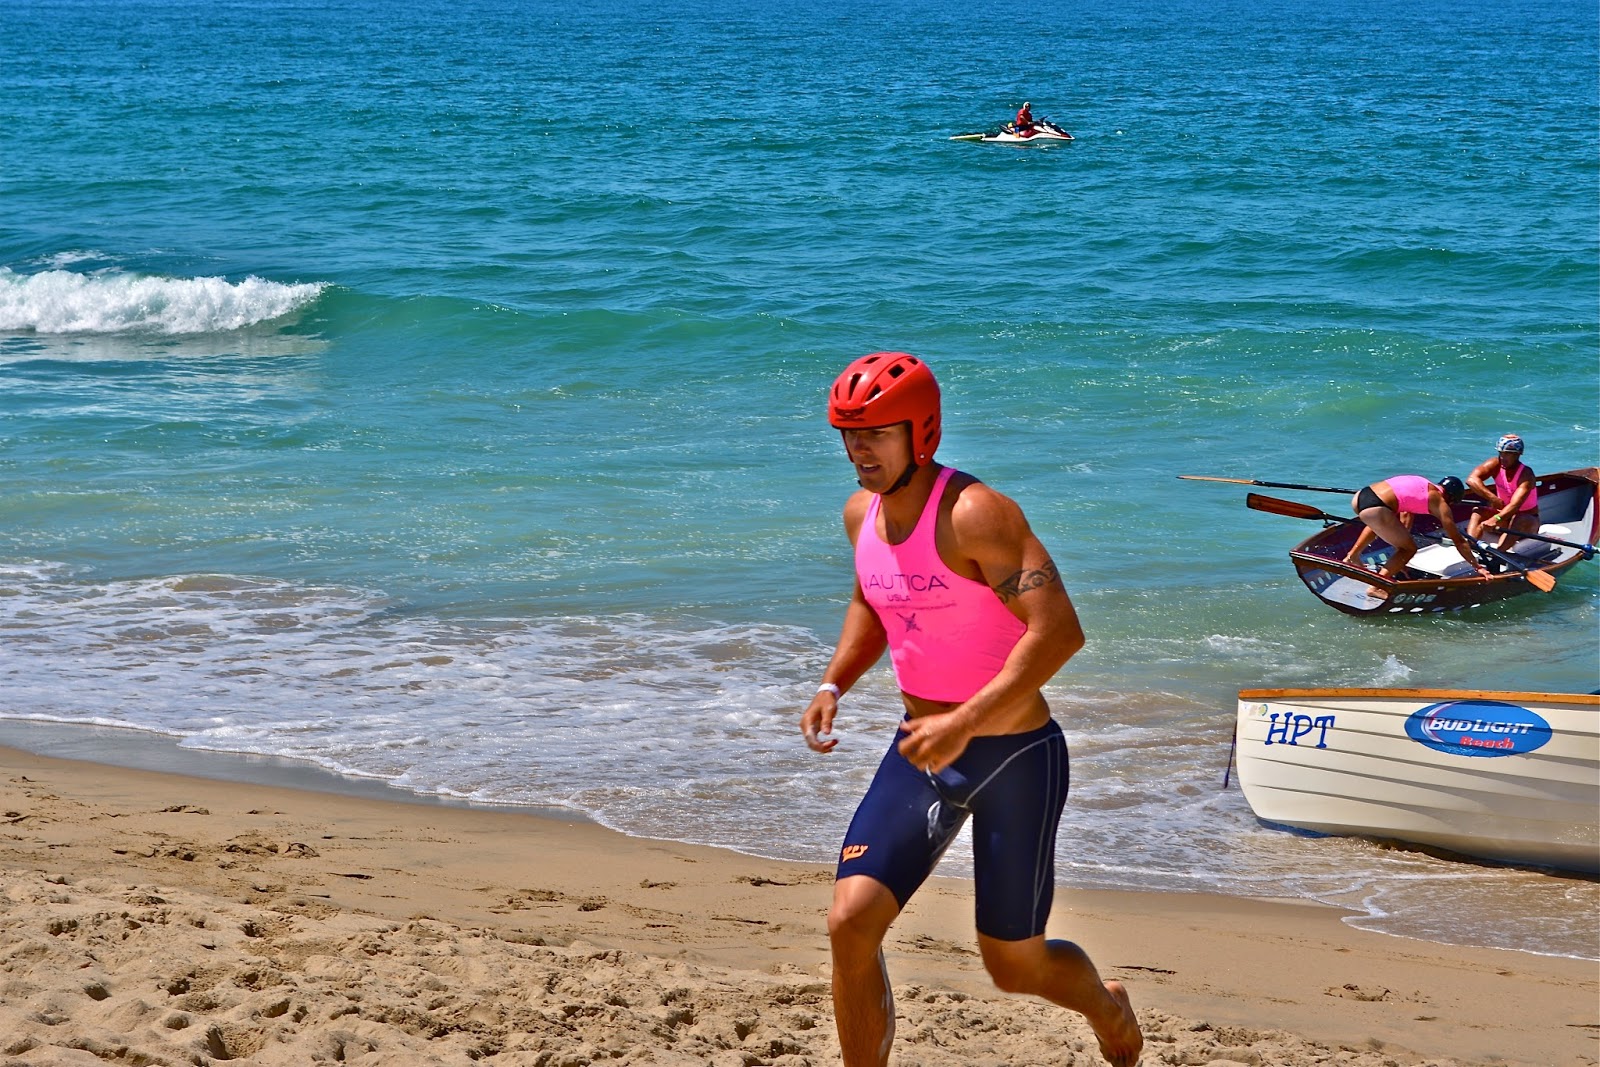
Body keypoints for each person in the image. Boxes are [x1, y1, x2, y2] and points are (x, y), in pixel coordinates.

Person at [799, 352, 1142, 1067]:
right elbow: (874, 598)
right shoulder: (860, 514)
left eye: (877, 433)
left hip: (1014, 754)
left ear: (920, 430)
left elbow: (1059, 631)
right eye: (848, 435)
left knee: (1013, 964)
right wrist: (834, 682)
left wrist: (966, 720)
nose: (859, 450)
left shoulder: (974, 512)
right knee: (848, 922)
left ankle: (1109, 1007)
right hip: (922, 748)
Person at [1342, 474, 1490, 595]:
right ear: (1451, 498)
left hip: (1360, 497)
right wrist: (1478, 567)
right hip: (1377, 508)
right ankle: (1376, 587)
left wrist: (1399, 560)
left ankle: (1352, 556)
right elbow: (1458, 540)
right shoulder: (1439, 501)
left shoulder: (1423, 484)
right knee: (1409, 549)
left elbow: (1405, 518)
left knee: (1378, 522)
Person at [1466, 434, 1540, 551]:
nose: (1502, 457)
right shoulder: (1495, 464)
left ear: (1518, 454)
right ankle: (1471, 547)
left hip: (1527, 522)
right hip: (1504, 518)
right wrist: (1492, 498)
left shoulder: (1526, 475)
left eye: (1507, 454)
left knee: (1519, 519)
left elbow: (1515, 506)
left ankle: (1498, 554)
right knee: (1477, 512)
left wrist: (1495, 519)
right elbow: (1471, 480)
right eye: (1501, 453)